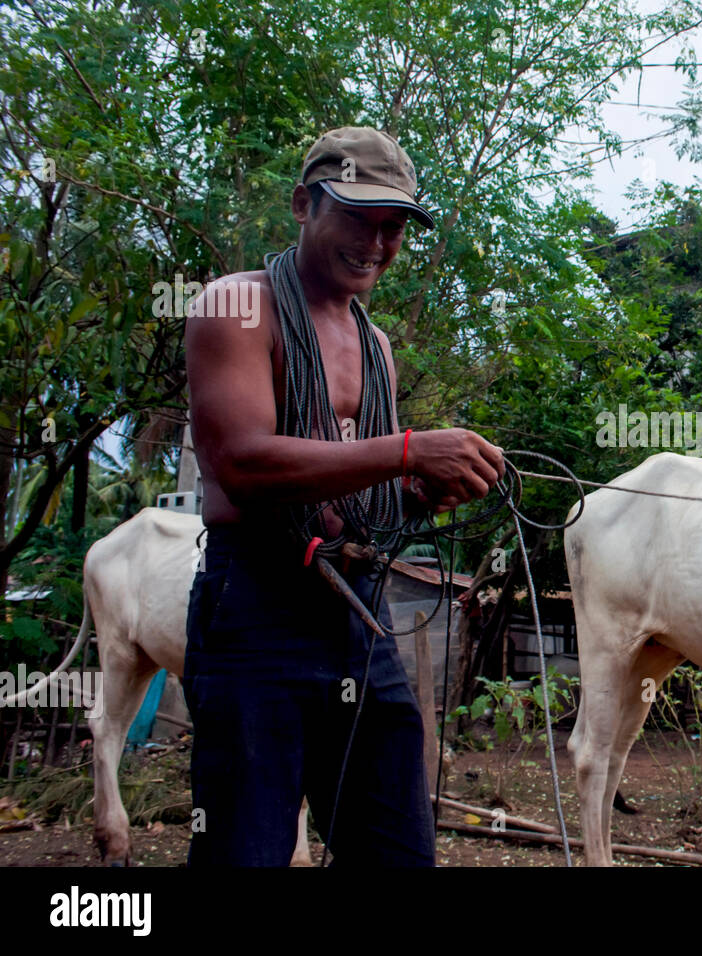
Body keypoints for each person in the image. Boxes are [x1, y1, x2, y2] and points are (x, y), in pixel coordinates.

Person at [183, 126, 504, 865]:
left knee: (394, 850)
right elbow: (242, 464)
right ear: (302, 205)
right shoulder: (235, 306)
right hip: (257, 607)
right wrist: (407, 449)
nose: (377, 243)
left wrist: (424, 491)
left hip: (356, 608)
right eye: (357, 218)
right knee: (244, 852)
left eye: (393, 228)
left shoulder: (375, 343)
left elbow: (370, 494)